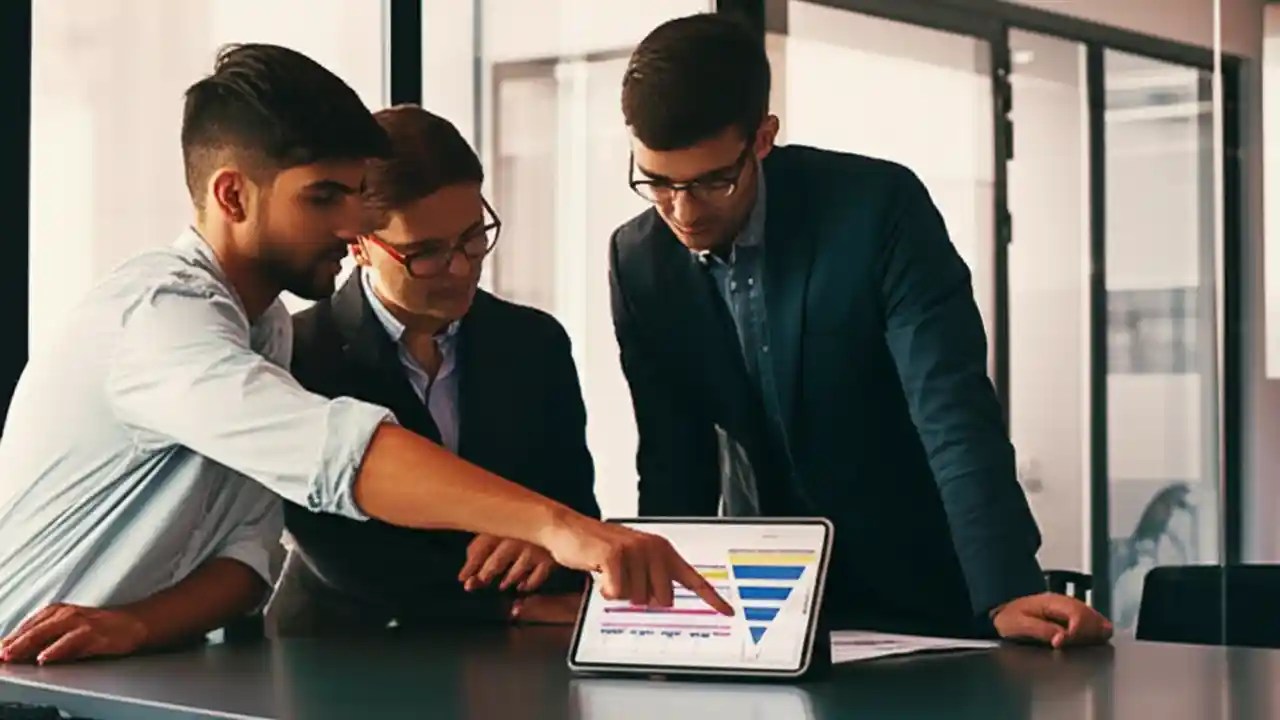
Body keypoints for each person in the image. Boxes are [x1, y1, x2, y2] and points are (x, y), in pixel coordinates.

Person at [0, 43, 728, 666]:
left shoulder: (267, 331)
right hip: (23, 681)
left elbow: (248, 559)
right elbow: (335, 456)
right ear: (231, 196)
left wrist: (137, 625)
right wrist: (562, 530)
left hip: (97, 675)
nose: (351, 223)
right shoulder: (160, 316)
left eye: (353, 196)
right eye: (324, 199)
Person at [608, 14, 1110, 646]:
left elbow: (951, 410)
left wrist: (1006, 586)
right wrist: (662, 620)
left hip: (919, 587)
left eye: (712, 182)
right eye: (657, 181)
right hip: (763, 600)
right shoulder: (639, 260)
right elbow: (672, 454)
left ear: (762, 138)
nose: (681, 210)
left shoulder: (876, 209)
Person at [267, 105, 596, 635]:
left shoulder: (535, 342)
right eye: (425, 254)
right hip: (345, 652)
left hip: (514, 662)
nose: (461, 268)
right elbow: (338, 545)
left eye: (472, 237)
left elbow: (574, 504)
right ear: (358, 245)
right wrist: (501, 607)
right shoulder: (300, 353)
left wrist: (545, 543)